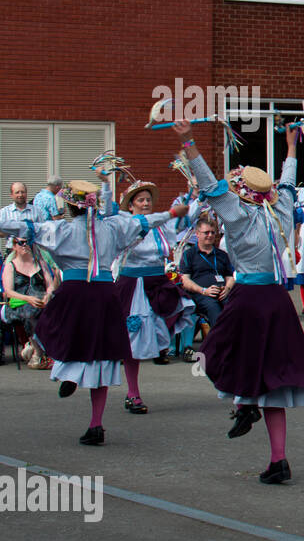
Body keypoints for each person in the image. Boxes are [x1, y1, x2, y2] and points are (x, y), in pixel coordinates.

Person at [175, 118, 304, 484]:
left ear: (241, 191)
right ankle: (277, 458)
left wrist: (189, 142)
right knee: (274, 376)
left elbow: (210, 185)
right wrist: (290, 147)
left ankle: (244, 405)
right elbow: (288, 180)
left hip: (249, 297)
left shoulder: (238, 214)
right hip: (277, 298)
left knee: (215, 350)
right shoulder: (284, 207)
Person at [0, 177, 187, 445]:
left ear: (69, 206)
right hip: (105, 294)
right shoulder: (112, 228)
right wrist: (170, 213)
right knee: (101, 354)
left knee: (50, 330)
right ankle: (95, 424)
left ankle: (68, 374)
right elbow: (144, 222)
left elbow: (24, 226)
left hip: (74, 293)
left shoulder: (60, 229)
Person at [111, 180, 196, 414]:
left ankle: (162, 353)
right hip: (134, 285)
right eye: (141, 200)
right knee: (133, 339)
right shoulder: (126, 225)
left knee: (167, 321)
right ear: (131, 205)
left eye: (148, 199)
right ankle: (133, 393)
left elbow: (184, 221)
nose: (146, 203)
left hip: (157, 282)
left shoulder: (161, 226)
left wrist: (193, 195)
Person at [177, 216, 235, 359]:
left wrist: (227, 288)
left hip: (222, 292)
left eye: (212, 233)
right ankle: (220, 349)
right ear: (197, 234)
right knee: (213, 308)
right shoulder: (189, 254)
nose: (210, 235)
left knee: (234, 307)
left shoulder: (222, 255)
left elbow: (230, 276)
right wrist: (204, 290)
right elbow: (185, 280)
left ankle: (235, 344)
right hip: (201, 293)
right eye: (206, 233)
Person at [3, 237, 59, 368]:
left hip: (40, 301)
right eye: (21, 243)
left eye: (27, 242)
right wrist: (28, 298)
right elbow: (9, 292)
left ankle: (38, 348)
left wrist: (48, 294)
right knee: (31, 312)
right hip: (18, 304)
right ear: (14, 246)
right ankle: (39, 353)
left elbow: (50, 285)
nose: (24, 245)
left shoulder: (40, 263)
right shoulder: (10, 266)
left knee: (58, 309)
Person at [0, 183, 37, 253]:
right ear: (11, 195)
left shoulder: (37, 211)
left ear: (26, 193)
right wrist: (12, 231)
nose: (20, 195)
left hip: (32, 252)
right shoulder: (4, 212)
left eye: (22, 192)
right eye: (17, 192)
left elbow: (43, 230)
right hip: (12, 251)